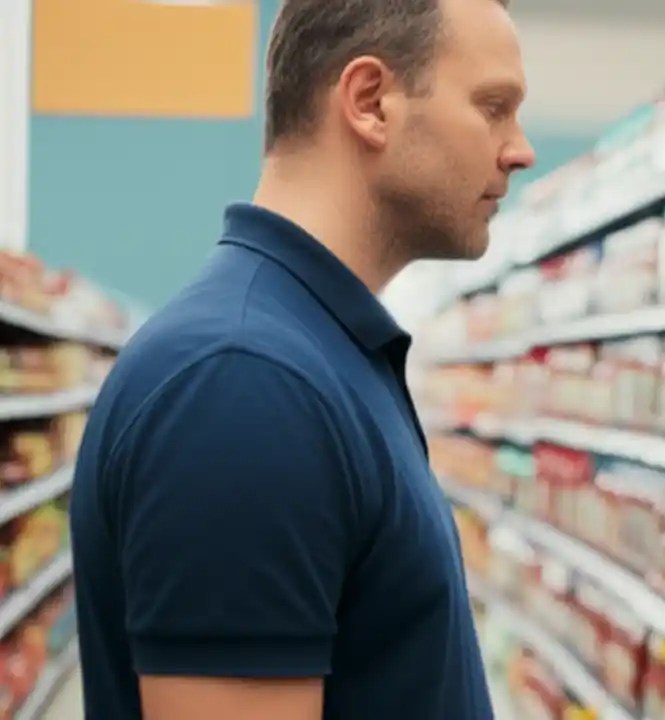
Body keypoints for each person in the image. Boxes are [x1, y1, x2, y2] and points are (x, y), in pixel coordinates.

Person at [69, 0, 535, 717]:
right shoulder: (243, 384)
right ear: (370, 102)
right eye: (494, 106)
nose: (519, 148)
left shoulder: (310, 352)